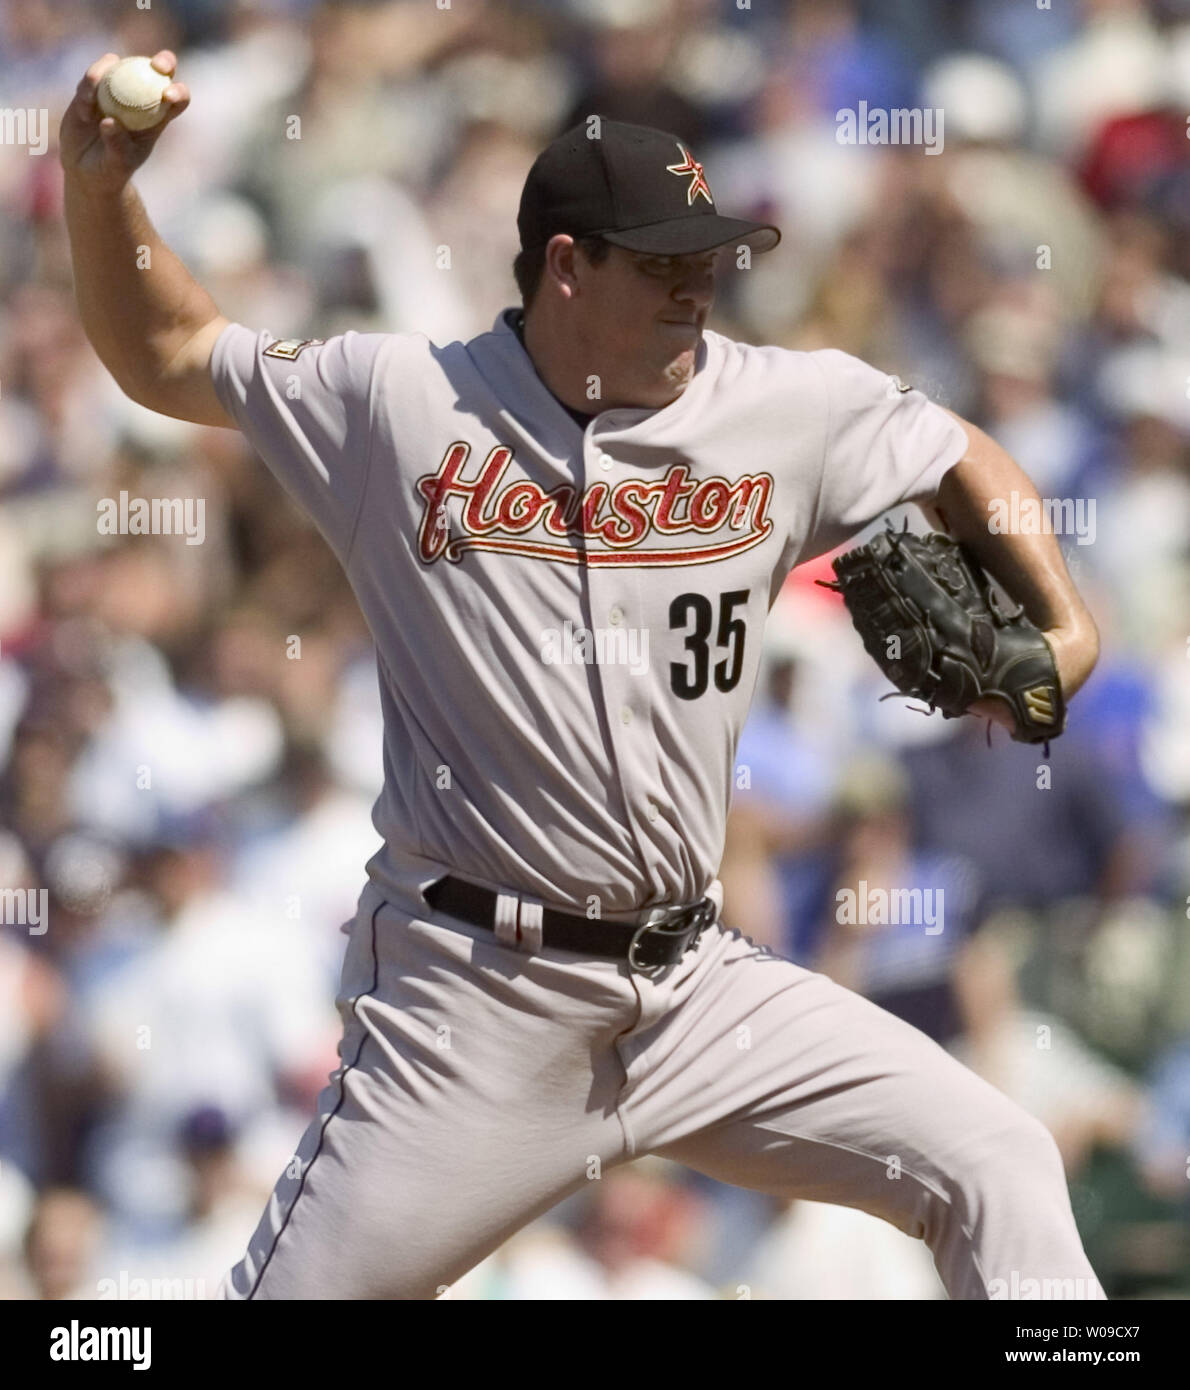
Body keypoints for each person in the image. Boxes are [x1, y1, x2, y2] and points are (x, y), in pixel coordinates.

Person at [60, 50, 1105, 1301]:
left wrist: (1061, 620)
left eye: (709, 259)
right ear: (568, 265)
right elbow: (169, 348)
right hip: (471, 1002)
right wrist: (99, 188)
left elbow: (957, 452)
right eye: (664, 265)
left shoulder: (784, 405)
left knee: (996, 1159)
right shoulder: (400, 403)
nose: (700, 290)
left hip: (693, 984)